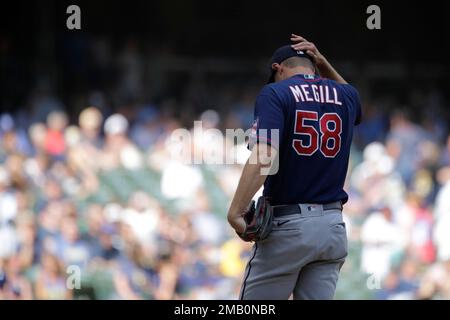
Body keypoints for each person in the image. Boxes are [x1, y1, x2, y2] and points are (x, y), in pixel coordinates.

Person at [227, 34, 362, 300]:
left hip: (289, 227)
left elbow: (265, 155)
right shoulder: (346, 94)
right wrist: (324, 63)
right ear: (314, 66)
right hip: (332, 228)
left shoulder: (275, 92)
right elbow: (355, 107)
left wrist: (236, 211)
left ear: (277, 68)